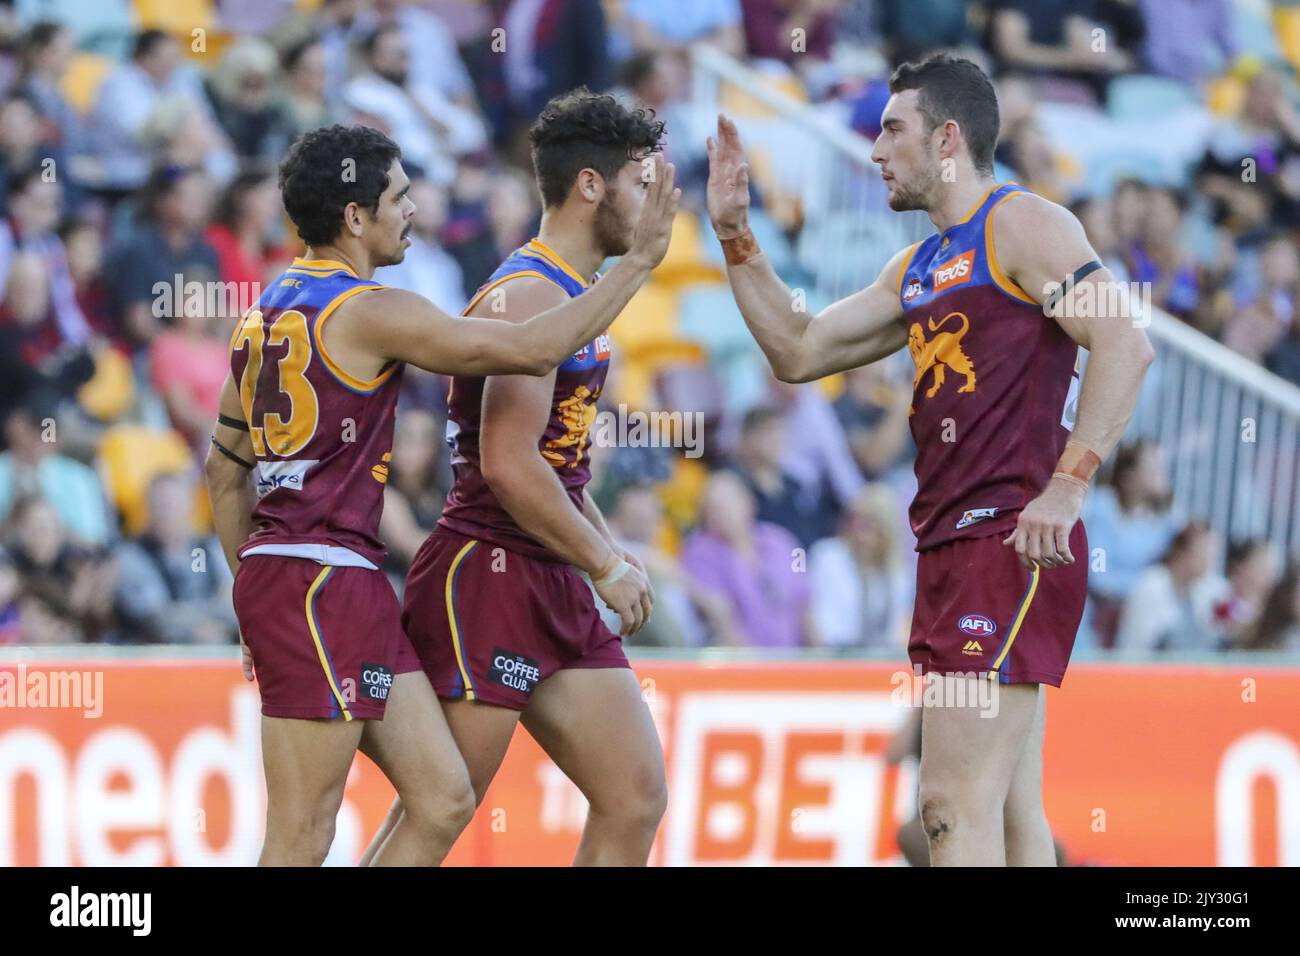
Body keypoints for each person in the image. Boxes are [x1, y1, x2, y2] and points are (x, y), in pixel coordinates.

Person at [705, 53, 1154, 865]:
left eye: (891, 128)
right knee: (1015, 822)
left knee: (946, 810)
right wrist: (738, 235)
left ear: (947, 138)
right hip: (951, 548)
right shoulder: (915, 269)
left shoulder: (1022, 224)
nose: (875, 150)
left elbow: (1126, 339)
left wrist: (1068, 484)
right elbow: (798, 349)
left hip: (1013, 538)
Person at [204, 122, 677, 867]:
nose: (413, 210)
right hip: (321, 575)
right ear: (356, 217)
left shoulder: (262, 315)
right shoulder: (374, 309)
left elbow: (225, 473)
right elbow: (527, 348)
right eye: (398, 197)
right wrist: (642, 262)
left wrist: (250, 586)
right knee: (302, 832)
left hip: (331, 578)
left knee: (444, 797)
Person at [363, 91, 668, 867]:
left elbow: (560, 465)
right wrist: (603, 563)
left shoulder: (573, 293)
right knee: (441, 808)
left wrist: (609, 552)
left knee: (635, 796)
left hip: (551, 570)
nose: (652, 200)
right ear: (591, 185)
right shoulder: (530, 294)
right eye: (640, 180)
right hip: (487, 574)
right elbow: (507, 462)